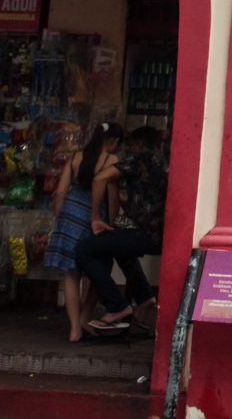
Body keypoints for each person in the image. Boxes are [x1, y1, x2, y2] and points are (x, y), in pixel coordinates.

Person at [79, 125, 169, 336]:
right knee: (120, 247)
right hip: (161, 233)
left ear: (137, 145)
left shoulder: (138, 159)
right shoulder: (165, 161)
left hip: (144, 232)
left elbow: (100, 178)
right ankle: (145, 297)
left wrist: (95, 218)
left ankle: (116, 306)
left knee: (85, 249)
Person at [44, 120, 120, 343]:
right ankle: (86, 316)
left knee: (70, 274)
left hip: (70, 215)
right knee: (98, 270)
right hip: (94, 218)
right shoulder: (112, 160)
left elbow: (60, 192)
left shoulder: (76, 156)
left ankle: (74, 328)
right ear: (113, 141)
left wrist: (60, 216)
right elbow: (112, 197)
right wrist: (113, 222)